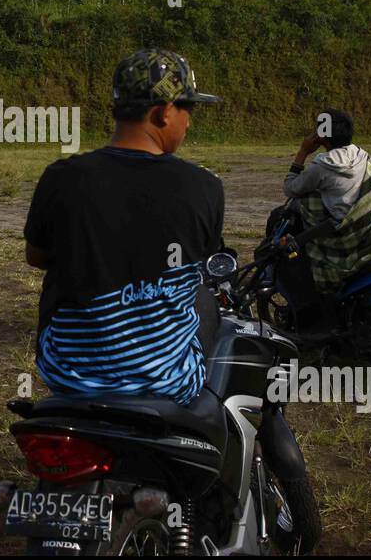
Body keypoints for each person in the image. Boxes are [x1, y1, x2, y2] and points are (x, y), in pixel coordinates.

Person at [24, 49, 224, 406]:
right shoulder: (204, 186)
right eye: (187, 110)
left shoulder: (61, 178)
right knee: (204, 298)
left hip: (68, 374)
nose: (189, 122)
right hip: (169, 387)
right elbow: (203, 262)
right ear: (163, 113)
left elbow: (37, 256)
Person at [282, 109, 371, 293]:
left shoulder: (321, 166)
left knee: (305, 201)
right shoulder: (363, 156)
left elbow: (290, 188)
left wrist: (303, 151)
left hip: (345, 235)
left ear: (321, 137)